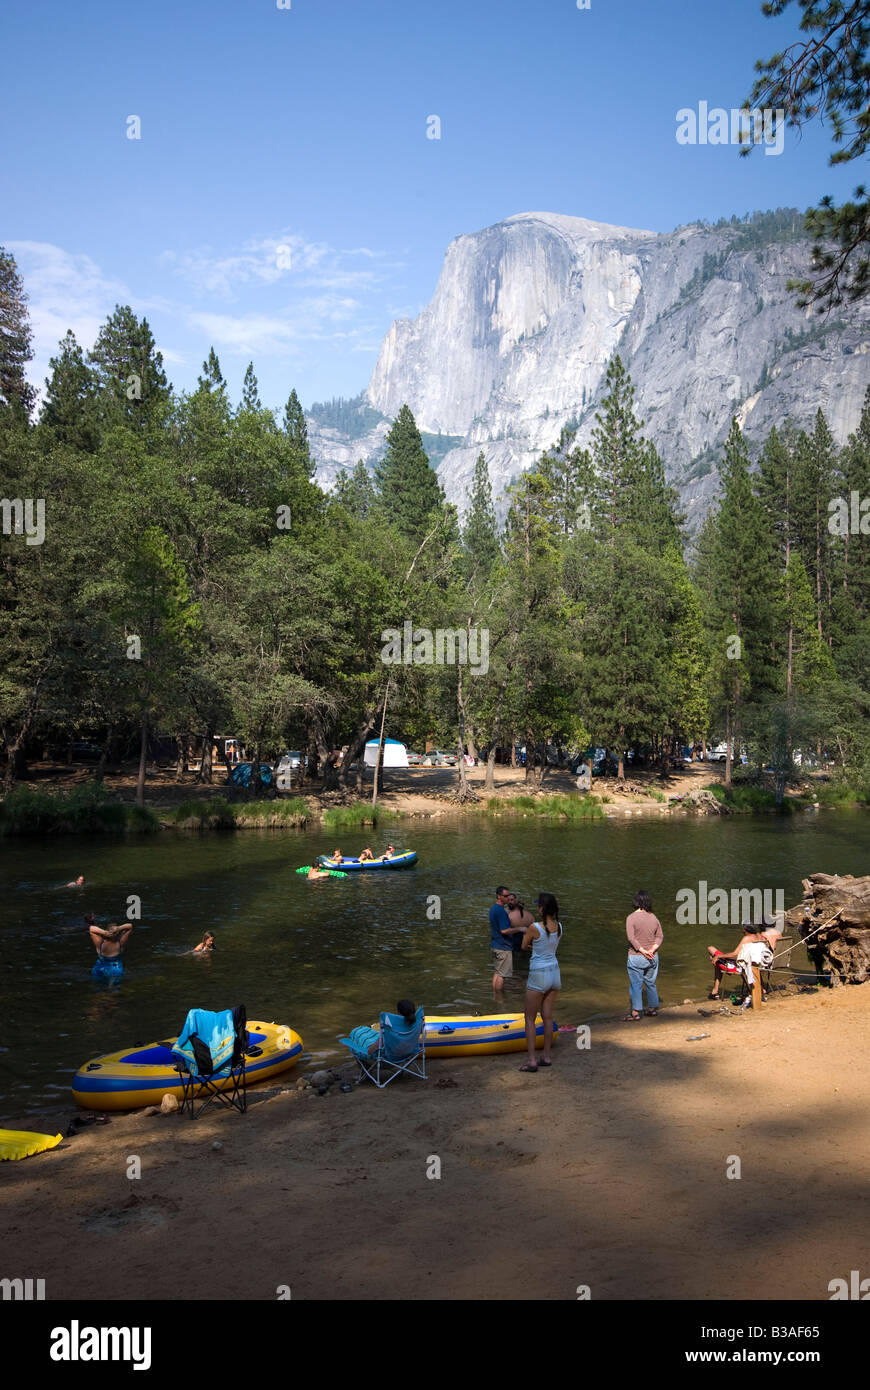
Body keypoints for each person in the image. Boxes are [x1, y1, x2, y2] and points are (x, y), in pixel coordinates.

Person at [519, 893, 562, 1071]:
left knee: (529, 1019)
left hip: (539, 973)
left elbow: (523, 946)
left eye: (539, 905)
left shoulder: (533, 927)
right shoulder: (559, 926)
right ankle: (546, 1056)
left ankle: (531, 1061)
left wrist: (532, 944)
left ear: (542, 908)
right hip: (554, 973)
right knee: (547, 1017)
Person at [707, 921, 775, 1002]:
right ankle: (714, 991)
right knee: (716, 960)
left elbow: (734, 954)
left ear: (745, 930)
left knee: (711, 949)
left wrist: (718, 956)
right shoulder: (760, 936)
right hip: (757, 964)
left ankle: (715, 992)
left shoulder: (747, 938)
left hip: (743, 967)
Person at [624, 890, 663, 1020]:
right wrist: (652, 949)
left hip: (636, 957)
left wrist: (642, 950)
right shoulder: (653, 917)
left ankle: (635, 1012)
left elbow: (631, 938)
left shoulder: (630, 918)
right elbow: (660, 936)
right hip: (652, 957)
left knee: (636, 984)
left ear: (635, 902)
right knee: (651, 983)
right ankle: (652, 1009)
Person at [348, 999, 418, 1055]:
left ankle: (364, 1070)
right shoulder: (417, 1024)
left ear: (398, 1012)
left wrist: (369, 1051)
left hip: (389, 1058)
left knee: (355, 1035)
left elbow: (380, 1044)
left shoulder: (392, 1026)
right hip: (408, 1053)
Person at [489, 885, 524, 991]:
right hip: (503, 947)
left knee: (497, 973)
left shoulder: (494, 908)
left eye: (509, 895)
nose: (508, 898)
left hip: (495, 945)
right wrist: (520, 928)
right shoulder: (500, 911)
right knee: (502, 975)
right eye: (505, 896)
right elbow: (504, 931)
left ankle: (495, 995)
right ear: (499, 896)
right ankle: (499, 1000)